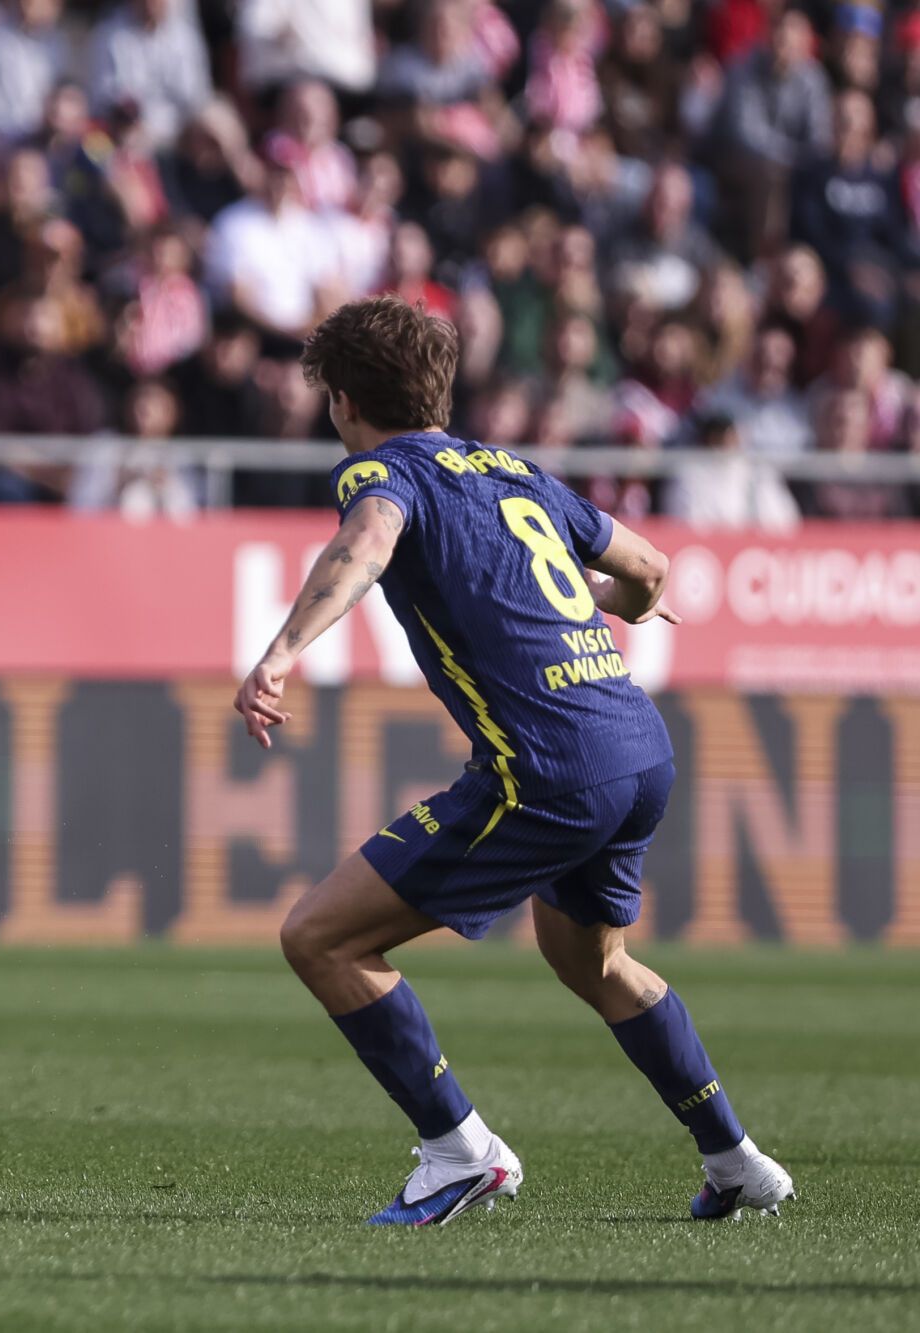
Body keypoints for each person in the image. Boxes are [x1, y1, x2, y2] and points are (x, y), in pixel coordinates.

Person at [235, 296, 794, 1226]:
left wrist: (281, 651)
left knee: (321, 937)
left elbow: (367, 542)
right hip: (638, 746)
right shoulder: (516, 469)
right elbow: (653, 567)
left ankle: (460, 1152)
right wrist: (609, 601)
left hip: (548, 767)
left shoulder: (380, 470)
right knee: (595, 963)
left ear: (341, 401)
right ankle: (737, 1160)